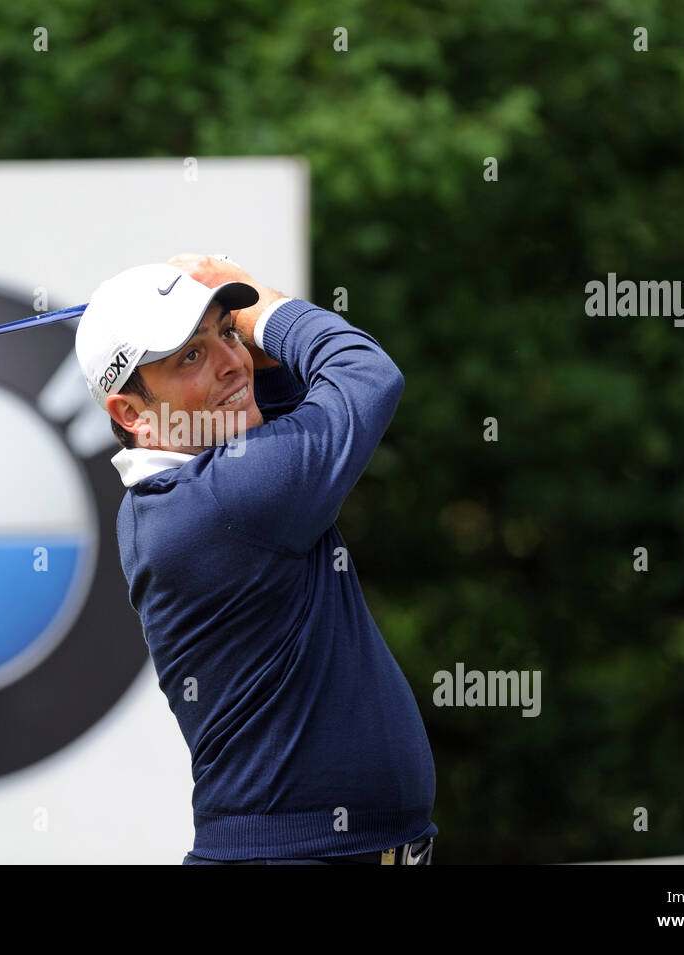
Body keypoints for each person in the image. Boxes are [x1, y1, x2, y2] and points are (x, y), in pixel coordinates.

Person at [74, 253, 437, 865]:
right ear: (132, 414)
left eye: (225, 332)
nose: (229, 361)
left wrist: (246, 357)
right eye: (191, 355)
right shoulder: (229, 498)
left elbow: (273, 404)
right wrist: (266, 313)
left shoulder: (187, 491)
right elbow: (365, 374)